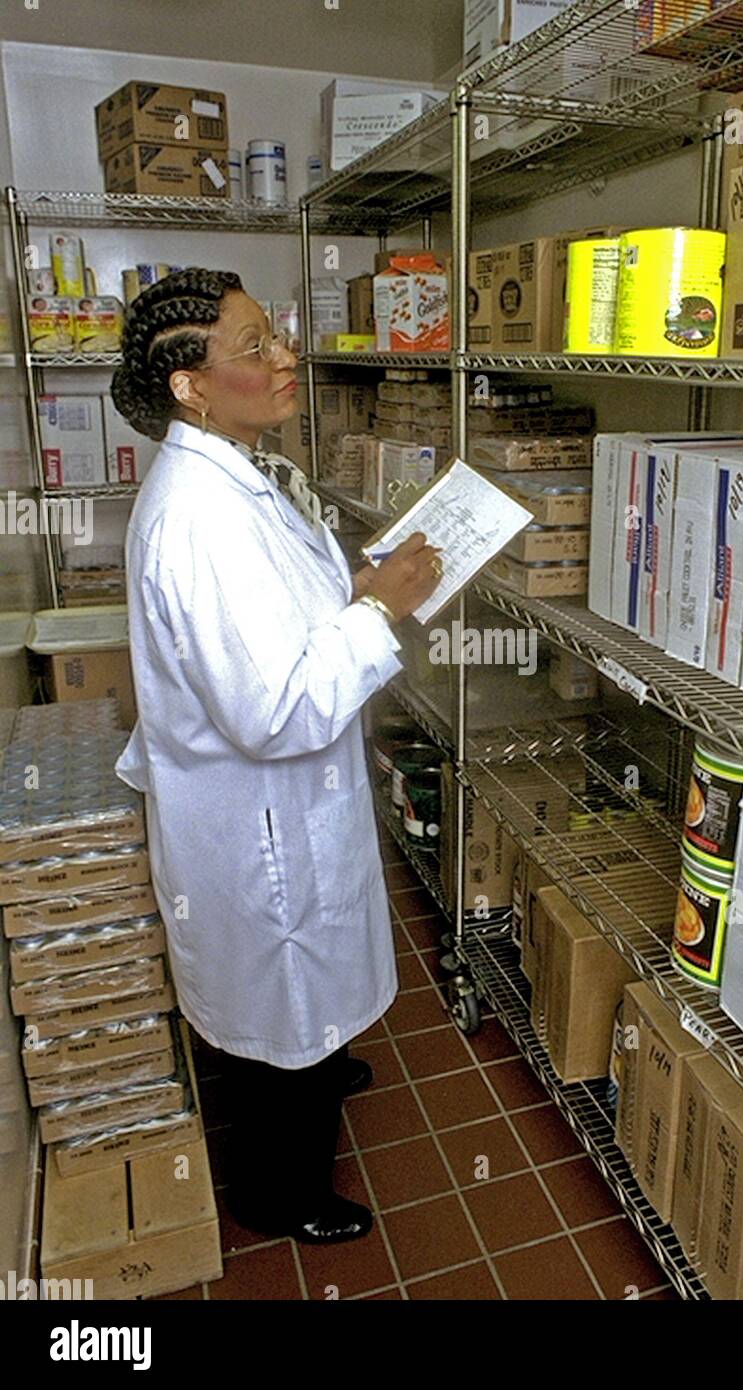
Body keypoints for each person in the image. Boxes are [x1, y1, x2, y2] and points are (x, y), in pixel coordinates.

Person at [110, 267, 442, 1243]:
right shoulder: (197, 519)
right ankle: (277, 1192)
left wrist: (366, 580)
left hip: (287, 805)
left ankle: (311, 1059)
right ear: (191, 385)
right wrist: (382, 606)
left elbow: (290, 609)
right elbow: (276, 710)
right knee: (280, 993)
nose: (285, 358)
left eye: (278, 336)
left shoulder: (238, 471)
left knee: (301, 996)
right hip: (259, 823)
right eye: (253, 347)